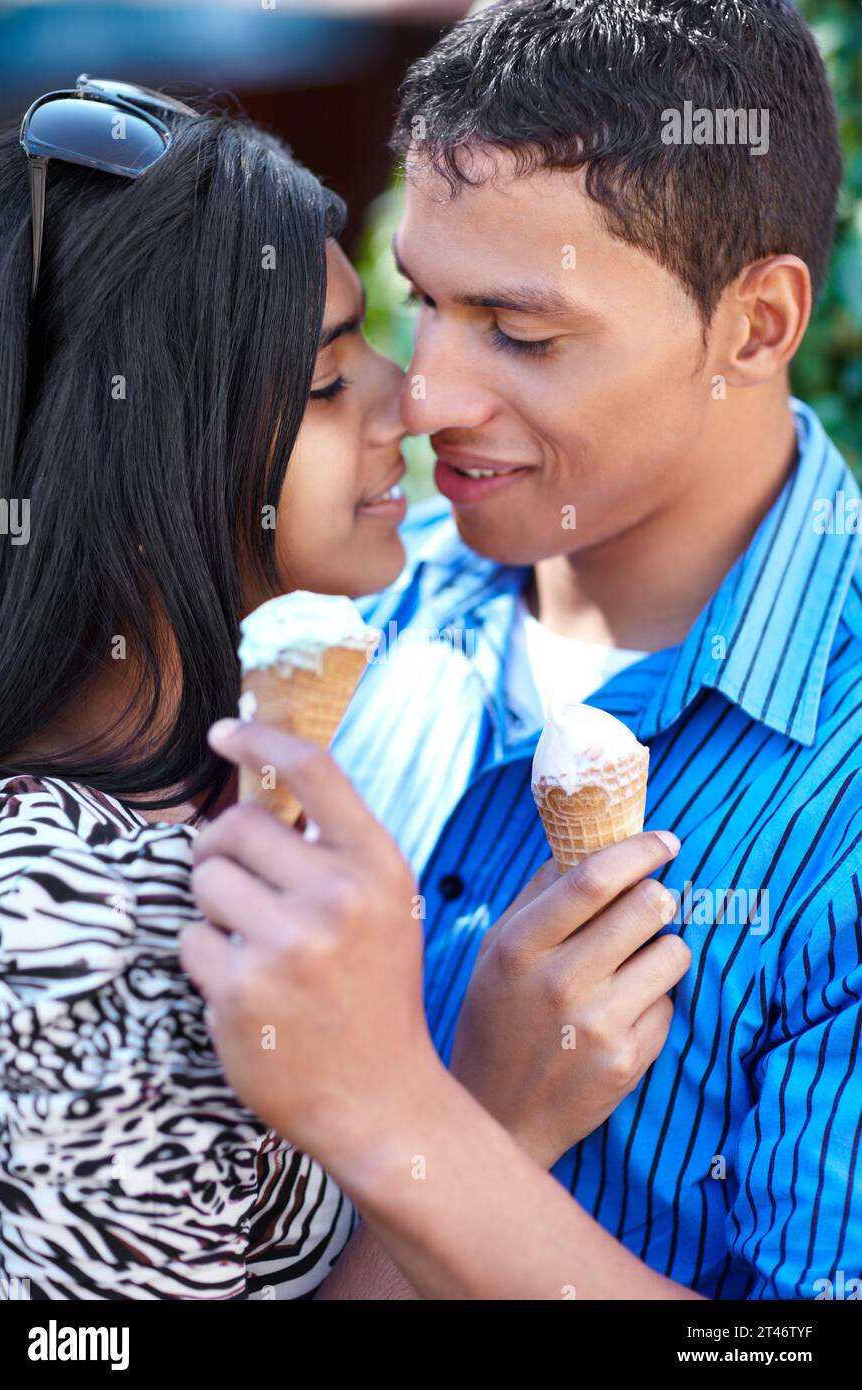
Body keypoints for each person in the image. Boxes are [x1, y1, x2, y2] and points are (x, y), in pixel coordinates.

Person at [185, 0, 862, 1299]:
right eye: (422, 303)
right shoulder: (341, 613)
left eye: (522, 333)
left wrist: (423, 1127)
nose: (423, 395)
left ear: (757, 325)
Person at [0, 80, 685, 1299]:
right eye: (322, 381)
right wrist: (483, 1119)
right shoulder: (57, 908)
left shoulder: (239, 768)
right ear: (139, 465)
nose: (406, 398)